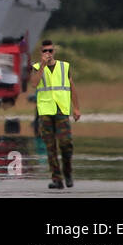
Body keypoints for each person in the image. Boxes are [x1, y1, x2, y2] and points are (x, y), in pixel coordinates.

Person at [29, 39, 81, 189]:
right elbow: (33, 83)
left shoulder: (64, 66)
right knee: (50, 147)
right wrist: (43, 66)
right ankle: (57, 179)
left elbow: (72, 87)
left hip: (61, 110)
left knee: (66, 144)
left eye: (50, 51)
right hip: (45, 112)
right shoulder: (37, 67)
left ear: (54, 52)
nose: (48, 54)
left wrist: (76, 108)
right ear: (41, 52)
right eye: (45, 51)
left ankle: (68, 173)